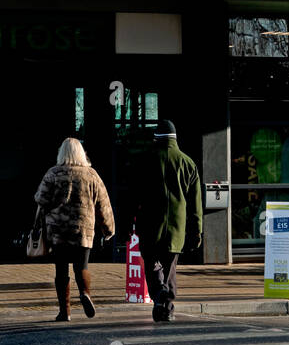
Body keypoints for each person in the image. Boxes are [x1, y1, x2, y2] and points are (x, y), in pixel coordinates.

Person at [34, 137, 115, 322]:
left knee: (61, 270)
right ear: (81, 153)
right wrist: (108, 230)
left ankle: (65, 311)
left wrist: (37, 226)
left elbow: (41, 202)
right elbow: (104, 205)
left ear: (61, 153)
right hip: (83, 231)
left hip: (58, 231)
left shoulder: (53, 173)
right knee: (82, 266)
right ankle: (85, 293)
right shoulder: (91, 175)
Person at [135, 120, 202, 323]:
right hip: (176, 227)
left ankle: (159, 296)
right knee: (170, 266)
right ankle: (168, 306)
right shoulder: (187, 163)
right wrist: (197, 230)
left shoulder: (144, 160)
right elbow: (195, 203)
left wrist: (128, 223)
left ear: (156, 138)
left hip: (149, 225)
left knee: (153, 264)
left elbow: (133, 196)